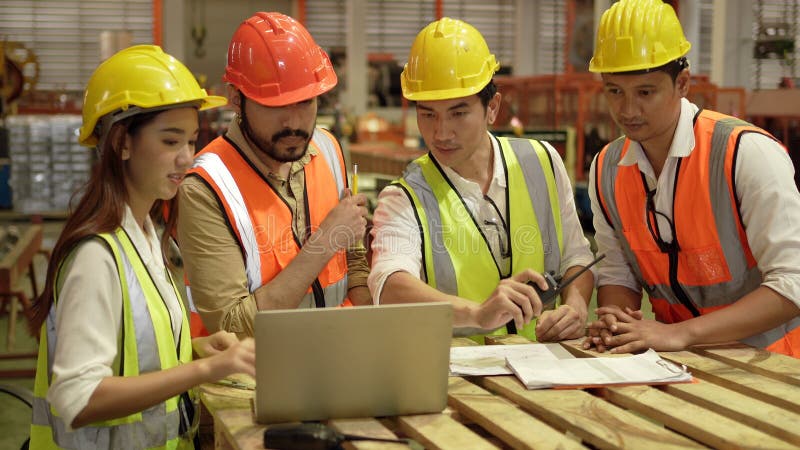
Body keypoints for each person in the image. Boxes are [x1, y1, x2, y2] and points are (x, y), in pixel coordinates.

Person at [27, 45, 255, 449]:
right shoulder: (97, 257)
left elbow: (137, 353)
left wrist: (196, 349)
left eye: (191, 141)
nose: (188, 158)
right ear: (122, 144)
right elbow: (77, 399)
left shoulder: (146, 233)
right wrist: (203, 371)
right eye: (171, 142)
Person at [584, 0, 800, 356]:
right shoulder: (607, 168)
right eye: (614, 91)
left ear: (682, 83)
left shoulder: (743, 154)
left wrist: (681, 334)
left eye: (645, 92)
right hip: (683, 367)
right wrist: (616, 322)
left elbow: (793, 283)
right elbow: (618, 273)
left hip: (774, 366)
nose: (627, 110)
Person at [368, 18, 596, 343]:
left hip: (542, 368)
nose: (441, 132)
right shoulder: (405, 197)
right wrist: (476, 314)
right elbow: (389, 283)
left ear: (492, 108)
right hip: (457, 381)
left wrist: (575, 305)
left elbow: (576, 254)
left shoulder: (542, 162)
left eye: (458, 113)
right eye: (427, 114)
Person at [177, 12, 370, 339]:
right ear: (237, 99)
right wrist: (323, 241)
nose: (294, 122)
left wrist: (374, 333)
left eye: (305, 102)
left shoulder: (328, 148)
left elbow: (355, 270)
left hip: (337, 358)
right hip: (255, 379)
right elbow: (233, 327)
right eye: (275, 105)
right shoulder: (204, 187)